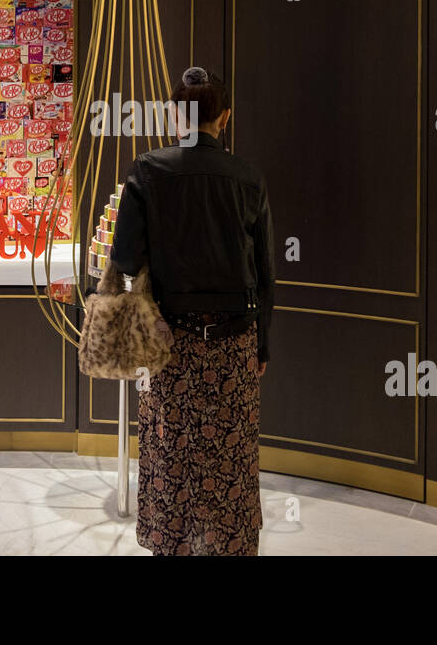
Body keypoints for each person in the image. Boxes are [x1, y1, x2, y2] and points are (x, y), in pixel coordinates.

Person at [109, 66, 275, 556]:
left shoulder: (147, 171)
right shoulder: (249, 178)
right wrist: (263, 341)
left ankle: (172, 543)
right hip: (235, 339)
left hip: (170, 339)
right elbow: (265, 272)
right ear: (225, 118)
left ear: (175, 115)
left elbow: (122, 257)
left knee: (171, 454)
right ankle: (230, 545)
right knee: (231, 455)